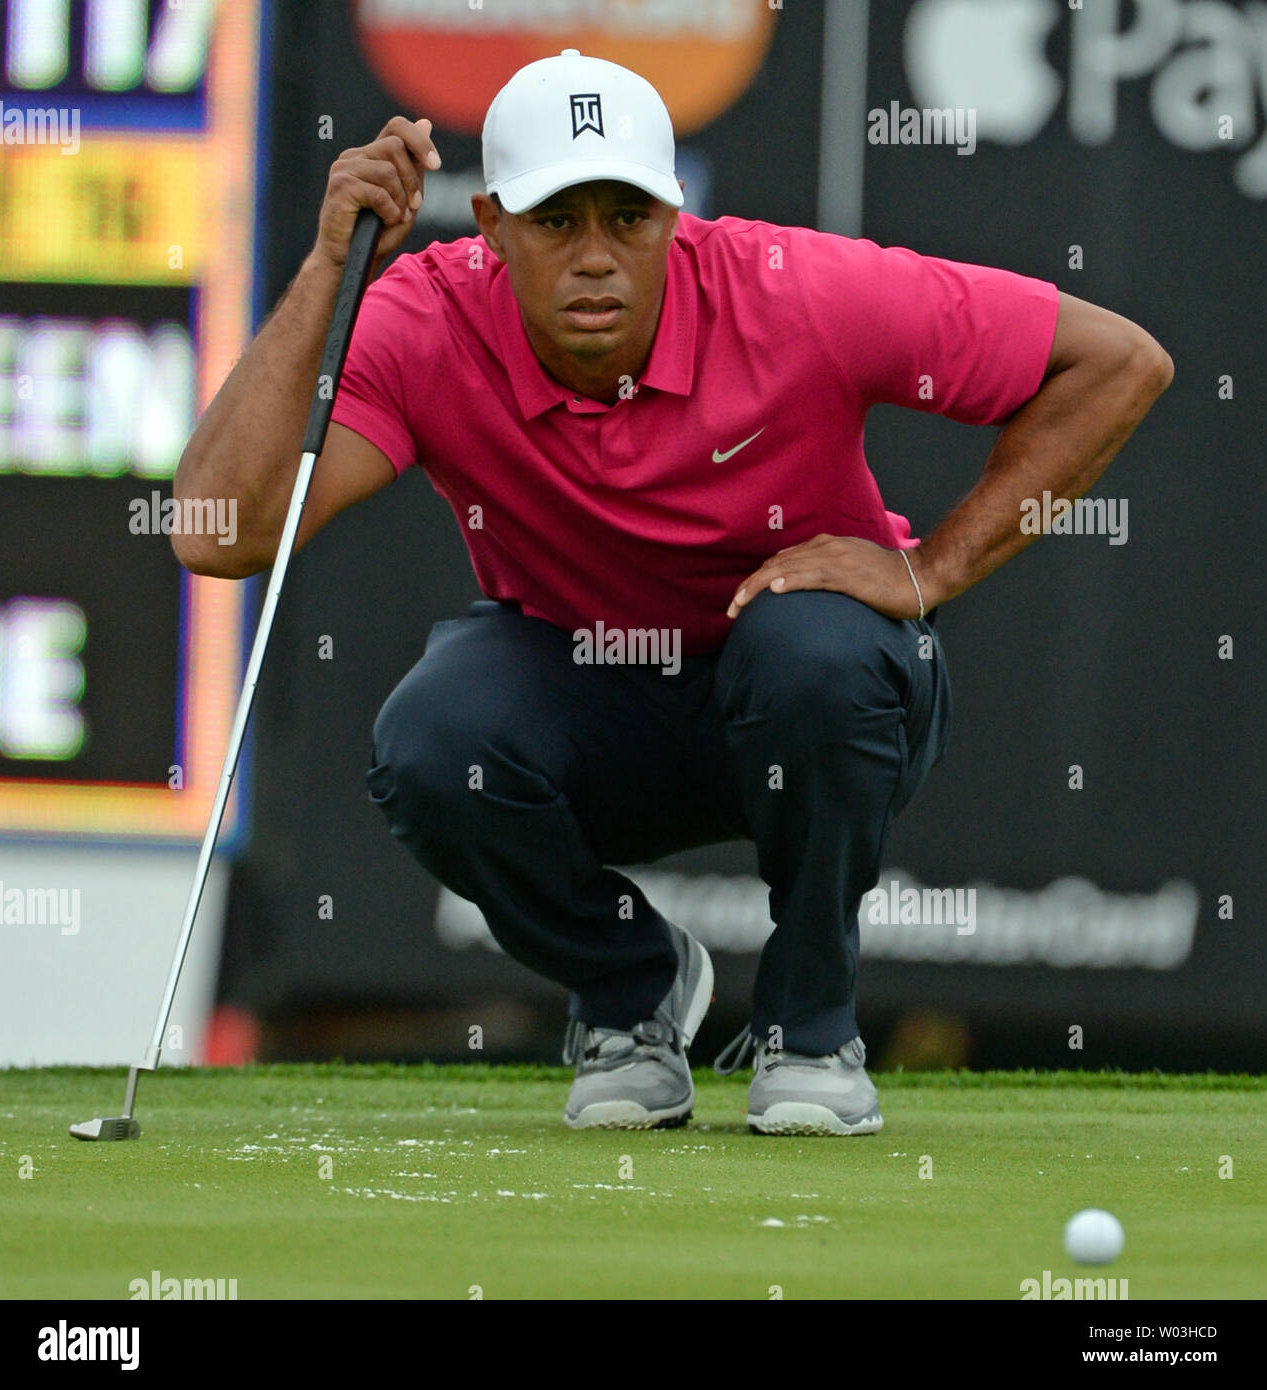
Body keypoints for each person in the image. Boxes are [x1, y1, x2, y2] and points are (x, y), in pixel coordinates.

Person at [173, 50, 1172, 1135]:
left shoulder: (795, 289)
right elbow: (218, 531)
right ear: (490, 221)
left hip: (820, 695)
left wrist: (927, 568)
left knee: (814, 656)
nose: (597, 258)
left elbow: (1121, 362)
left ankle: (812, 1028)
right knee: (429, 740)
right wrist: (328, 271)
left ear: (675, 214)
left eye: (628, 218)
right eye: (557, 222)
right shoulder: (426, 317)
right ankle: (631, 989)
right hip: (597, 701)